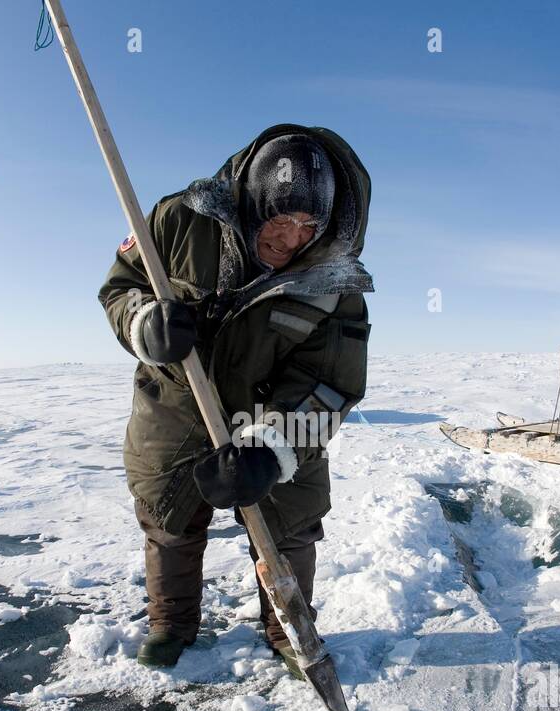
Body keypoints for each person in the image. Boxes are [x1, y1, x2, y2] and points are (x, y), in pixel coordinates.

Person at [98, 124, 372, 677]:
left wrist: (272, 451)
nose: (290, 238)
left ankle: (290, 631)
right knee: (168, 523)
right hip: (175, 409)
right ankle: (170, 625)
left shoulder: (334, 282)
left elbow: (329, 383)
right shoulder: (177, 220)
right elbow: (122, 288)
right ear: (252, 204)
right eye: (279, 218)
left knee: (288, 529)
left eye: (306, 225)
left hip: (270, 417)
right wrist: (146, 324)